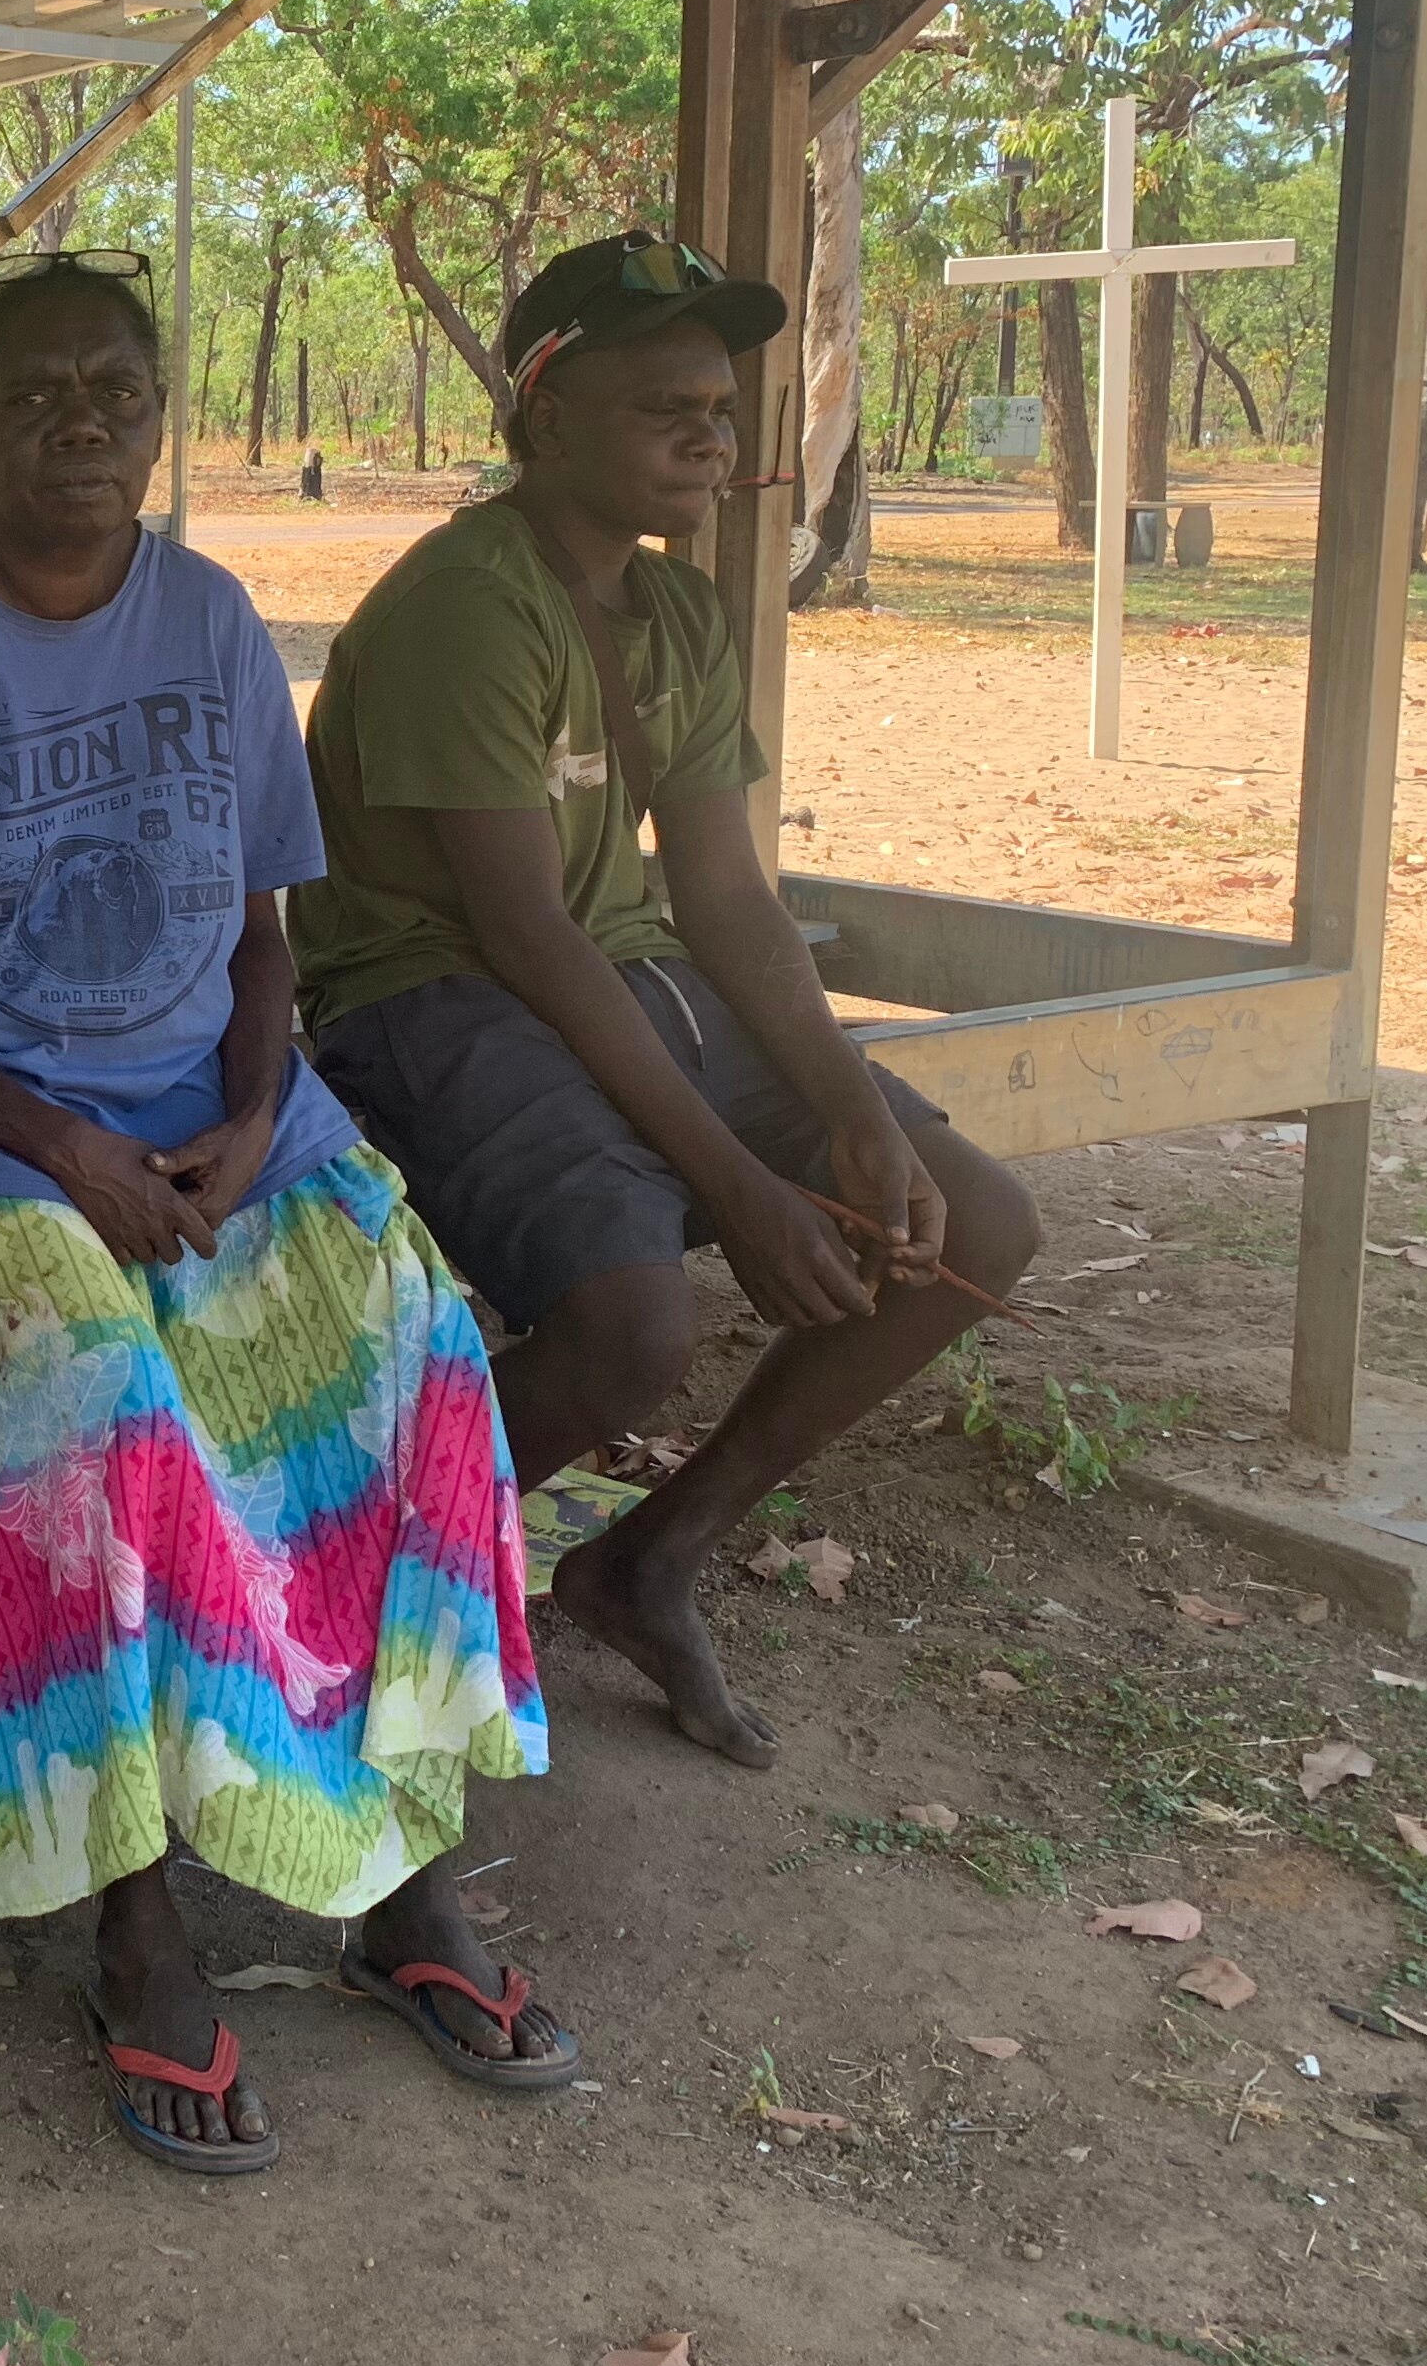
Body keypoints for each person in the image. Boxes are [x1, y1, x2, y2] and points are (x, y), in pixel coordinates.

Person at [0, 251, 560, 2179]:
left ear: (163, 412)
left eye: (118, 390)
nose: (81, 426)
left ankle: (404, 1884)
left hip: (216, 1115)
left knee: (414, 1340)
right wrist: (64, 1142)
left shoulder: (210, 618)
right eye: (35, 394)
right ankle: (138, 1918)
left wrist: (257, 1105)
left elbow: (264, 936)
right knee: (95, 1394)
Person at [294, 231, 1042, 1773]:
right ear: (545, 416)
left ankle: (648, 1557)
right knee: (632, 1333)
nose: (708, 438)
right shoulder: (463, 607)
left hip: (625, 978)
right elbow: (524, 938)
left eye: (719, 409)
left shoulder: (684, 623)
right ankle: (334, 1595)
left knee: (973, 1222)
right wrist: (743, 1190)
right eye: (663, 409)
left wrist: (846, 1115)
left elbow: (726, 903)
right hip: (427, 991)